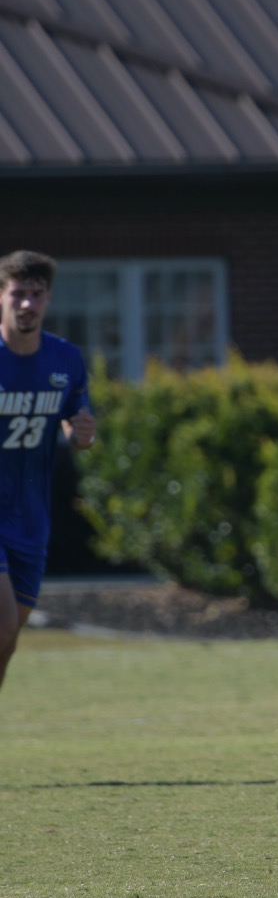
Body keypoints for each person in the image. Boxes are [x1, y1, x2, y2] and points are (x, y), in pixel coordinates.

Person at [0, 251, 95, 699]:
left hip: (30, 517)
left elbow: (76, 423)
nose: (26, 305)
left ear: (48, 299)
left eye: (35, 295)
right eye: (17, 294)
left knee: (9, 638)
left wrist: (81, 434)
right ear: (2, 296)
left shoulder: (65, 359)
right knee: (1, 625)